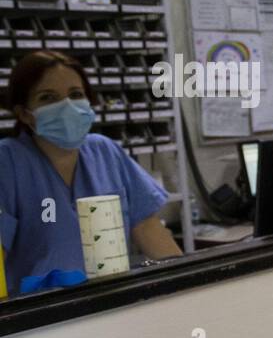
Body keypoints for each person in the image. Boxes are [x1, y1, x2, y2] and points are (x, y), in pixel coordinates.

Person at [1, 51, 180, 296]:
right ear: (23, 113)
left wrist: (186, 282)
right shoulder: (8, 162)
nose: (66, 107)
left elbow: (147, 227)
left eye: (76, 95)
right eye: (48, 98)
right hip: (38, 316)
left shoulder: (105, 151)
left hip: (109, 302)